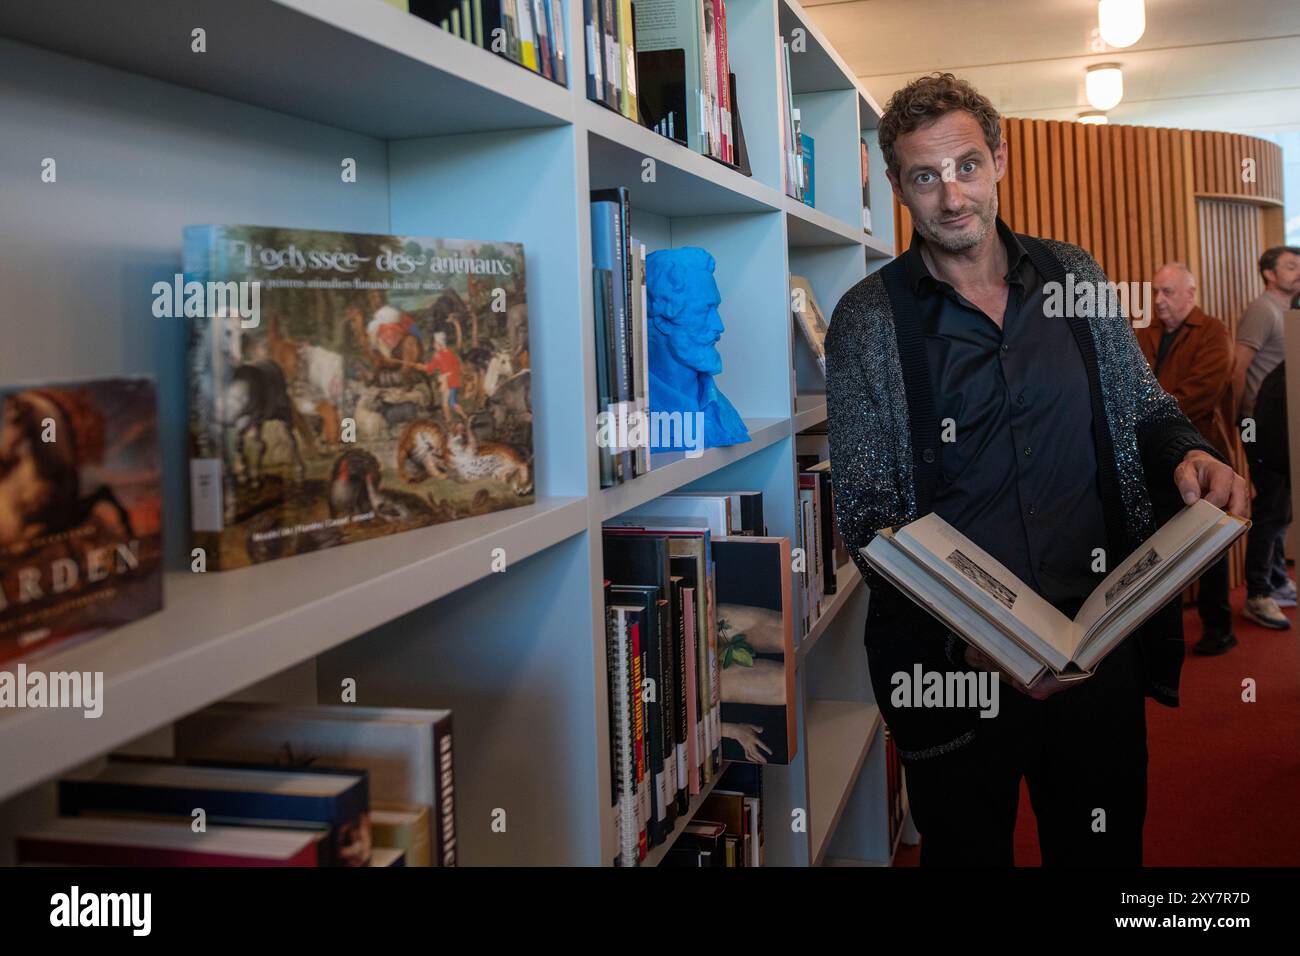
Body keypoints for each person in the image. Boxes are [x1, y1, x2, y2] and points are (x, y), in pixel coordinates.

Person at [825, 73, 1247, 866]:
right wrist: (979, 644)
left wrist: (1192, 453)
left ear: (1001, 161)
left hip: (1096, 645)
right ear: (896, 186)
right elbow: (868, 516)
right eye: (925, 176)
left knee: (1105, 852)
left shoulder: (1073, 277)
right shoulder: (868, 321)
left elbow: (1140, 409)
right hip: (955, 670)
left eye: (968, 167)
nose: (952, 198)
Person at [1136, 264, 1236, 654]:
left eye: (1168, 292)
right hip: (1154, 458)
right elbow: (1133, 386)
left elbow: (1201, 393)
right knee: (1162, 546)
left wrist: (1151, 411)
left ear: (1191, 294)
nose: (1159, 300)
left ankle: (1219, 626)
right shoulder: (1145, 333)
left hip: (1202, 450)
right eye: (1156, 292)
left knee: (1208, 544)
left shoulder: (1213, 332)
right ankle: (1165, 635)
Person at [1233, 246, 1300, 629]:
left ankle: (1275, 580)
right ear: (1269, 273)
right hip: (1261, 427)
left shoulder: (1287, 310)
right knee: (1271, 511)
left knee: (1282, 509)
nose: (1297, 272)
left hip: (1282, 427)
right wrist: (1240, 422)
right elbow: (1238, 368)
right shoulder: (1263, 309)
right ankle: (1257, 594)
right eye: (1289, 266)